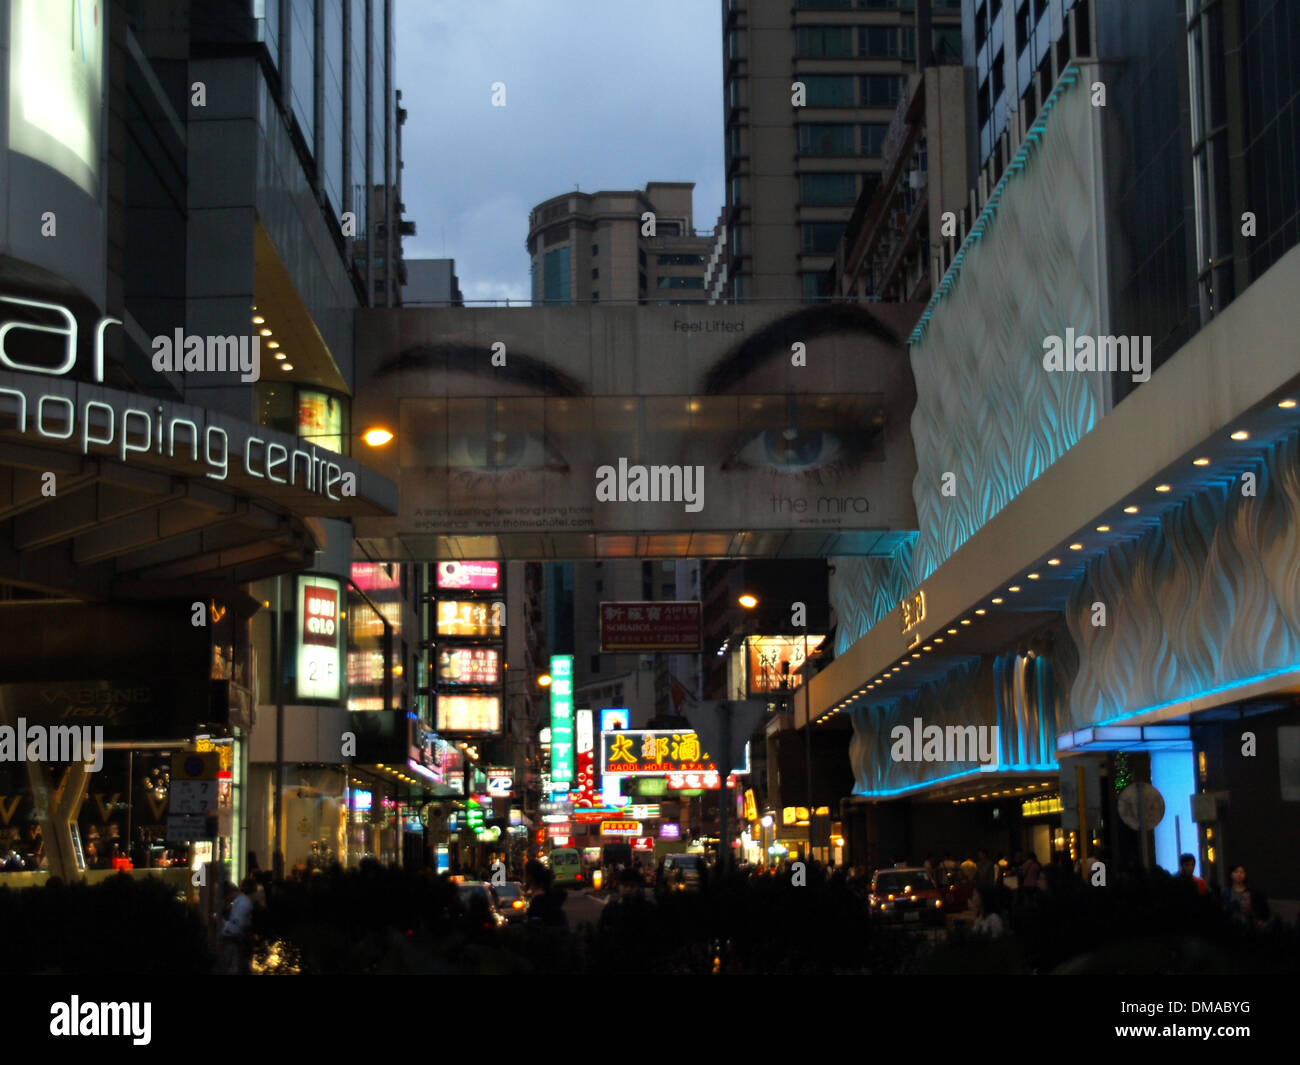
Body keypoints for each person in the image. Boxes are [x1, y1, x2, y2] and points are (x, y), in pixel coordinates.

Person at [220, 877, 258, 975]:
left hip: (237, 945)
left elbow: (236, 929)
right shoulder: (240, 903)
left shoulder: (242, 904)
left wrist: (224, 923)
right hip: (239, 945)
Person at [524, 859, 568, 929]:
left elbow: (535, 930)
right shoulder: (552, 898)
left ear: (530, 877)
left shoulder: (538, 902)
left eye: (525, 874)